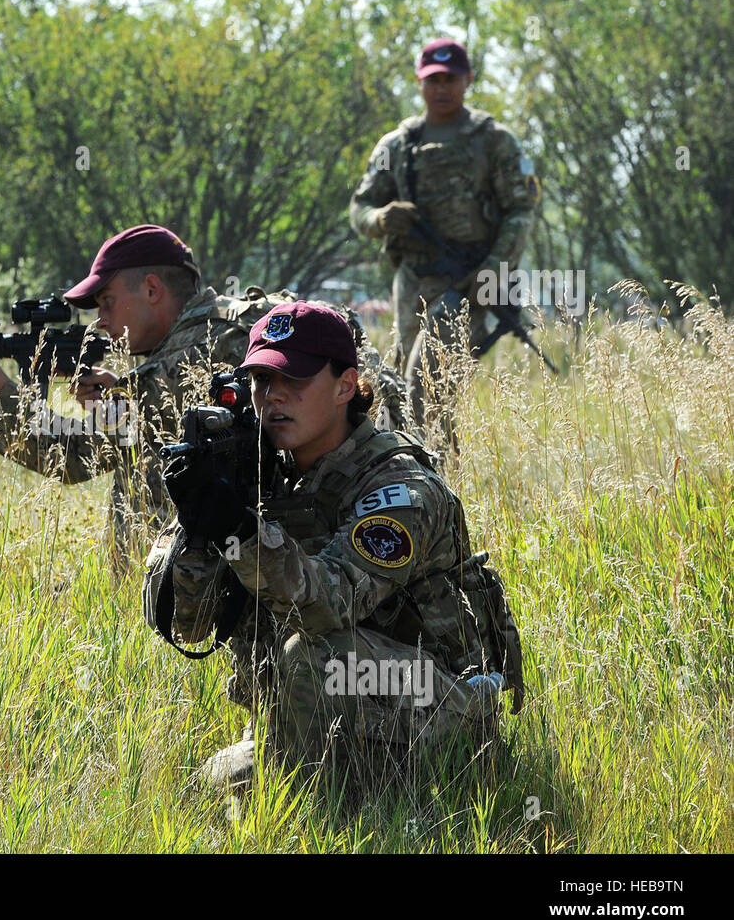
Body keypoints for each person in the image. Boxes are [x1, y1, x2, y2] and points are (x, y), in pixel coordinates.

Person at [143, 301, 523, 789]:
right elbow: (189, 628)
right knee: (207, 788)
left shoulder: (400, 487)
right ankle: (311, 797)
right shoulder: (264, 476)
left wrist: (238, 529)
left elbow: (330, 603)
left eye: (294, 380)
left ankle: (335, 810)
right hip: (315, 716)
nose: (273, 396)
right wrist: (199, 531)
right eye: (261, 381)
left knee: (312, 656)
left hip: (438, 715)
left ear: (346, 385)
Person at [0, 224, 271, 567]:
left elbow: (72, 457)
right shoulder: (227, 329)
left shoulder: (178, 364)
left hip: (205, 598)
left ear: (152, 289)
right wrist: (119, 397)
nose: (101, 321)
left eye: (107, 302)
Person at [350, 38, 539, 441]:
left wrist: (494, 269)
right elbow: (360, 208)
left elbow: (521, 211)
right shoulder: (398, 145)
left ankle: (434, 481)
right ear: (420, 82)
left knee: (426, 384)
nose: (441, 87)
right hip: (411, 281)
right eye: (433, 79)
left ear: (468, 79)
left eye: (450, 78)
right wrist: (382, 217)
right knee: (398, 389)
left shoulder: (495, 141)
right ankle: (404, 472)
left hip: (466, 285)